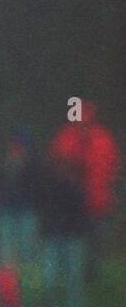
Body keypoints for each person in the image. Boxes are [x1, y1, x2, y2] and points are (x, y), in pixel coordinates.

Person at [50, 102, 120, 283]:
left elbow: (113, 168)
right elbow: (58, 165)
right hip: (71, 204)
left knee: (96, 241)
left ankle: (94, 276)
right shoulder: (66, 137)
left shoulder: (104, 139)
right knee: (72, 241)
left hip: (98, 201)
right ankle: (71, 276)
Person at [36, 150, 91, 307]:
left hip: (72, 240)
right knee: (49, 281)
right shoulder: (48, 187)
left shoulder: (77, 188)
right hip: (53, 239)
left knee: (72, 282)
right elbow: (44, 213)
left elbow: (81, 216)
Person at [0, 126, 41, 269]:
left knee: (27, 250)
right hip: (5, 210)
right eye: (15, 144)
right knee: (6, 253)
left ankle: (28, 284)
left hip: (27, 210)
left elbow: (37, 188)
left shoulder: (34, 164)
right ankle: (8, 286)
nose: (17, 148)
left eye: (22, 145)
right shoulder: (1, 160)